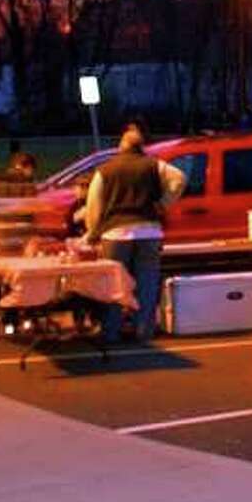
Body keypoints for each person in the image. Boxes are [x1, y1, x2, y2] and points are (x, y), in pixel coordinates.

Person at [84, 123, 183, 343]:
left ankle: (111, 331)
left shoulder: (105, 170)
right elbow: (179, 179)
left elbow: (94, 204)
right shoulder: (155, 165)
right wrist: (163, 203)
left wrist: (92, 232)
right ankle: (143, 331)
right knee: (146, 284)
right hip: (149, 232)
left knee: (114, 285)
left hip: (115, 234)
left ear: (122, 145)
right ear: (142, 147)